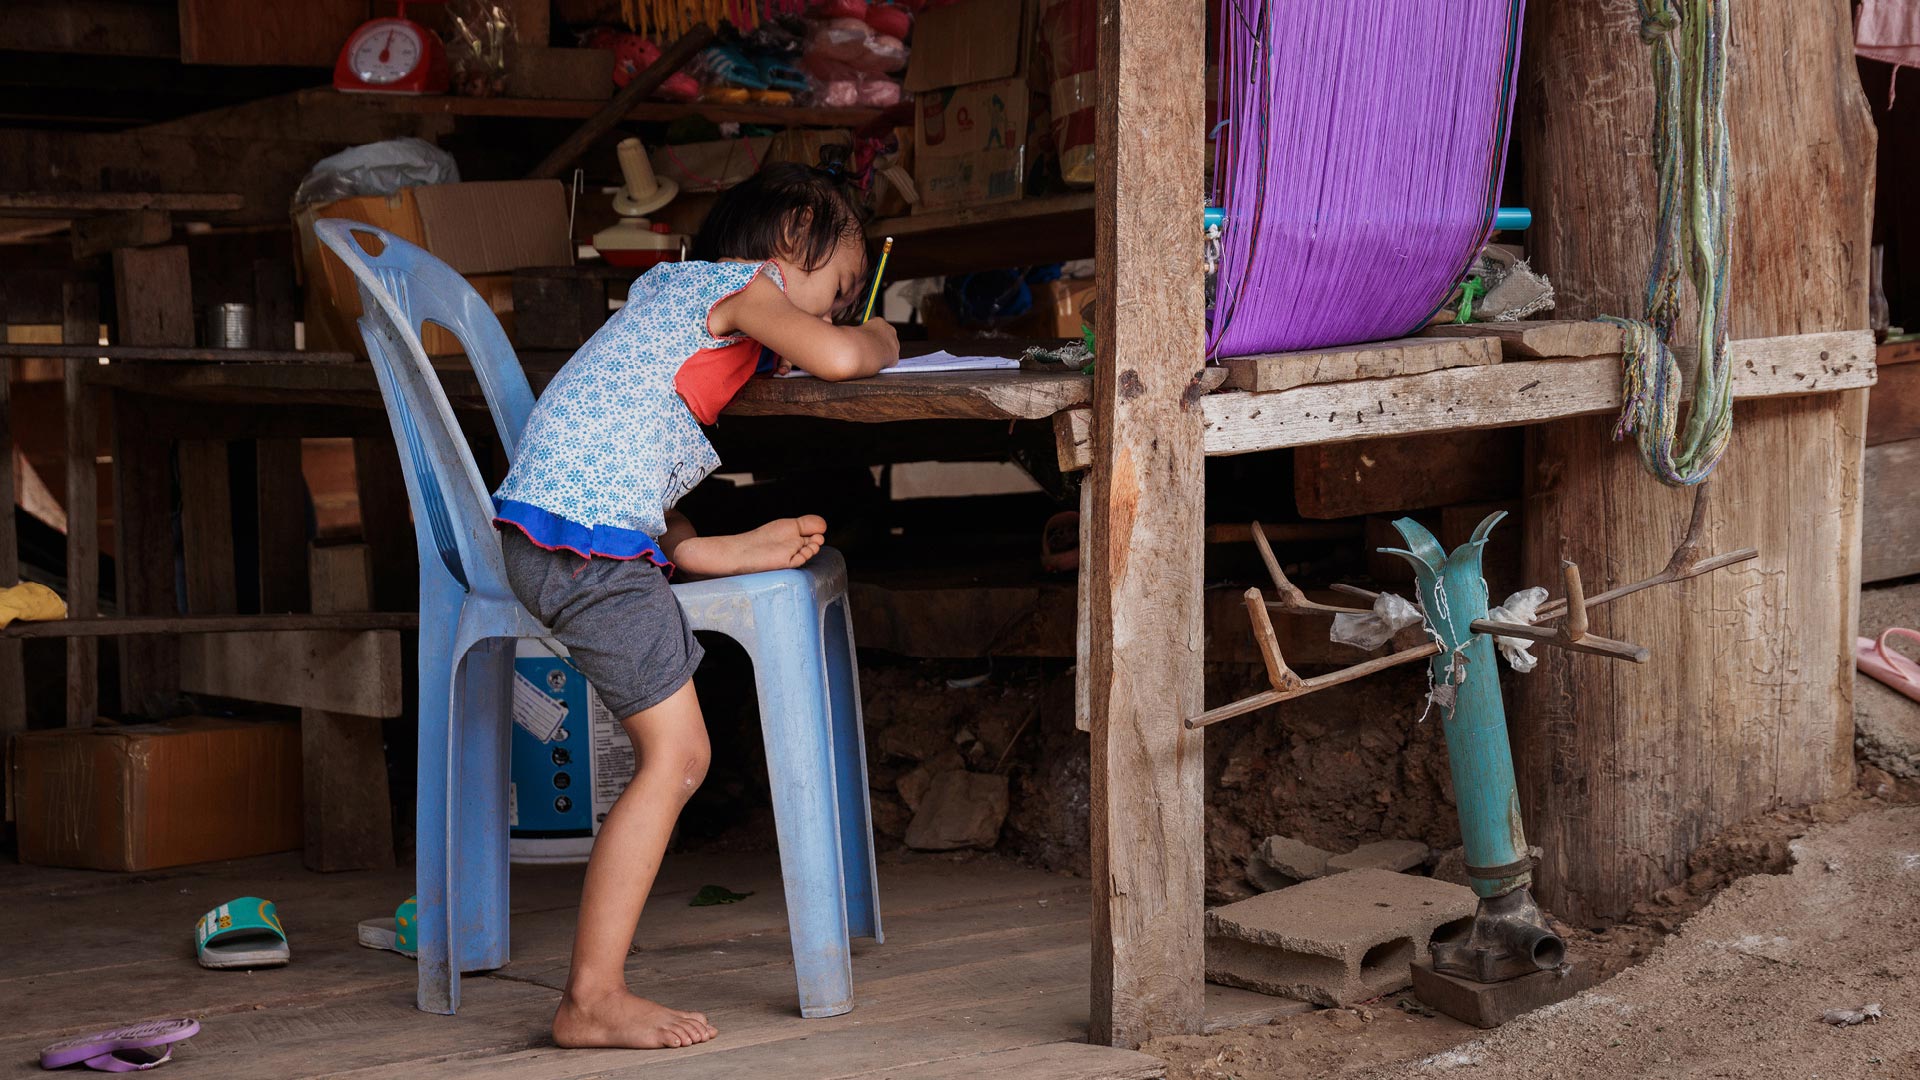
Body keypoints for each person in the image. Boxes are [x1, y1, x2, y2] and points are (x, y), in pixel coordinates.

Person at [490, 158, 899, 1049]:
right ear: (792, 237)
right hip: (579, 549)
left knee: (678, 754)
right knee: (676, 758)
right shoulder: (738, 288)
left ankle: (592, 994)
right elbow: (835, 359)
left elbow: (640, 473)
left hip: (577, 533)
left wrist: (726, 551)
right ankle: (589, 998)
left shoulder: (675, 318)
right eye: (837, 286)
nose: (835, 308)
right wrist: (883, 335)